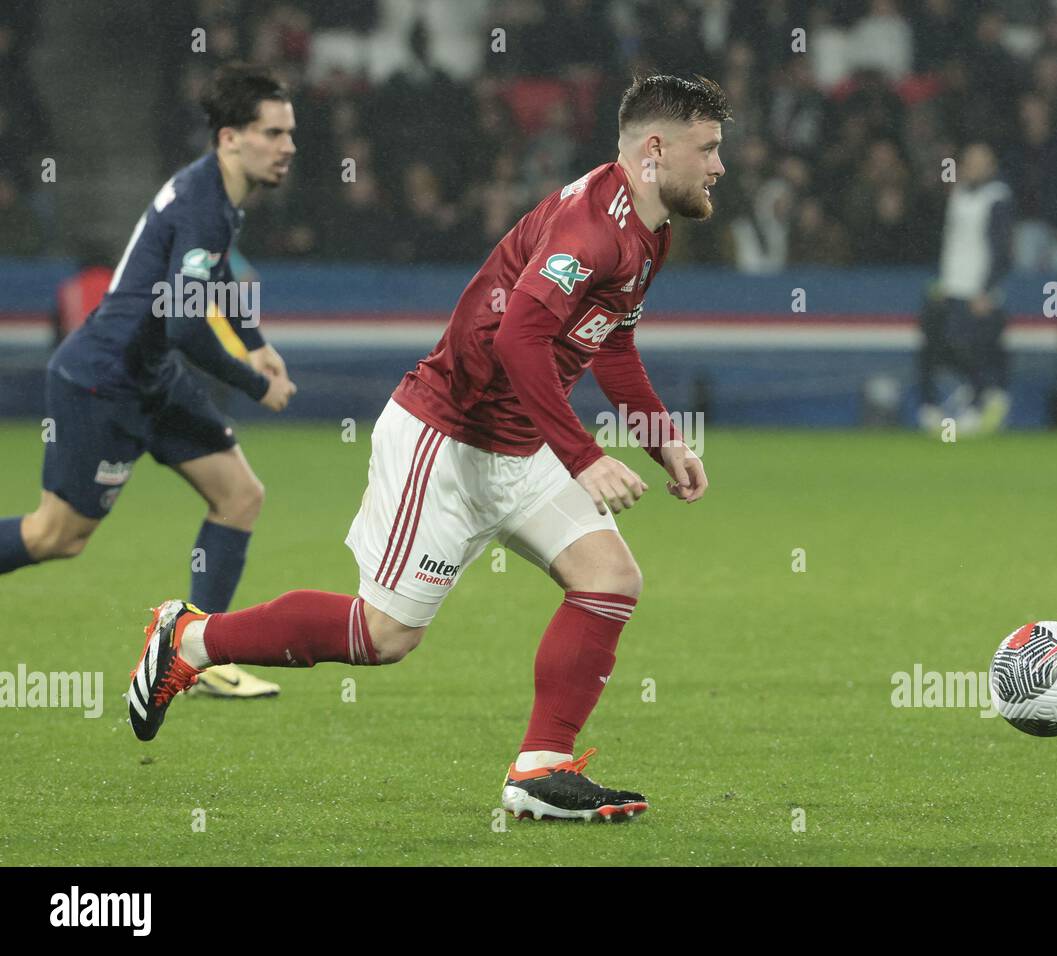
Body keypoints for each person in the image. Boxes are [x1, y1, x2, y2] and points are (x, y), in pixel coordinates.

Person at [126, 73, 726, 822]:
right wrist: (583, 453)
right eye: (707, 149)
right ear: (656, 149)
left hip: (519, 442)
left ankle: (540, 769)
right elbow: (519, 337)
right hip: (447, 438)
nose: (718, 167)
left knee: (609, 579)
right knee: (381, 637)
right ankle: (191, 637)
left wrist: (659, 438)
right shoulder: (591, 228)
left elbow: (613, 340)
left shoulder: (649, 230)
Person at [0, 64, 298, 699]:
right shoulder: (203, 205)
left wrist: (255, 341)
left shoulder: (219, 196)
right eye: (273, 132)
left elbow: (213, 281)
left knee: (240, 494)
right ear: (229, 137)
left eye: (289, 132)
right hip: (101, 381)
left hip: (150, 377)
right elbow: (185, 328)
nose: (288, 146)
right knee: (58, 536)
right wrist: (253, 382)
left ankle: (195, 655)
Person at [918, 142, 1013, 433]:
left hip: (976, 289)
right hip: (950, 285)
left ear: (991, 166)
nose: (971, 166)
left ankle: (979, 403)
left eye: (978, 162)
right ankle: (933, 405)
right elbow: (950, 239)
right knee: (933, 345)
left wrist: (987, 289)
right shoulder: (957, 193)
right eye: (967, 160)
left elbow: (1001, 248)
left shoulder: (997, 197)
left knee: (973, 348)